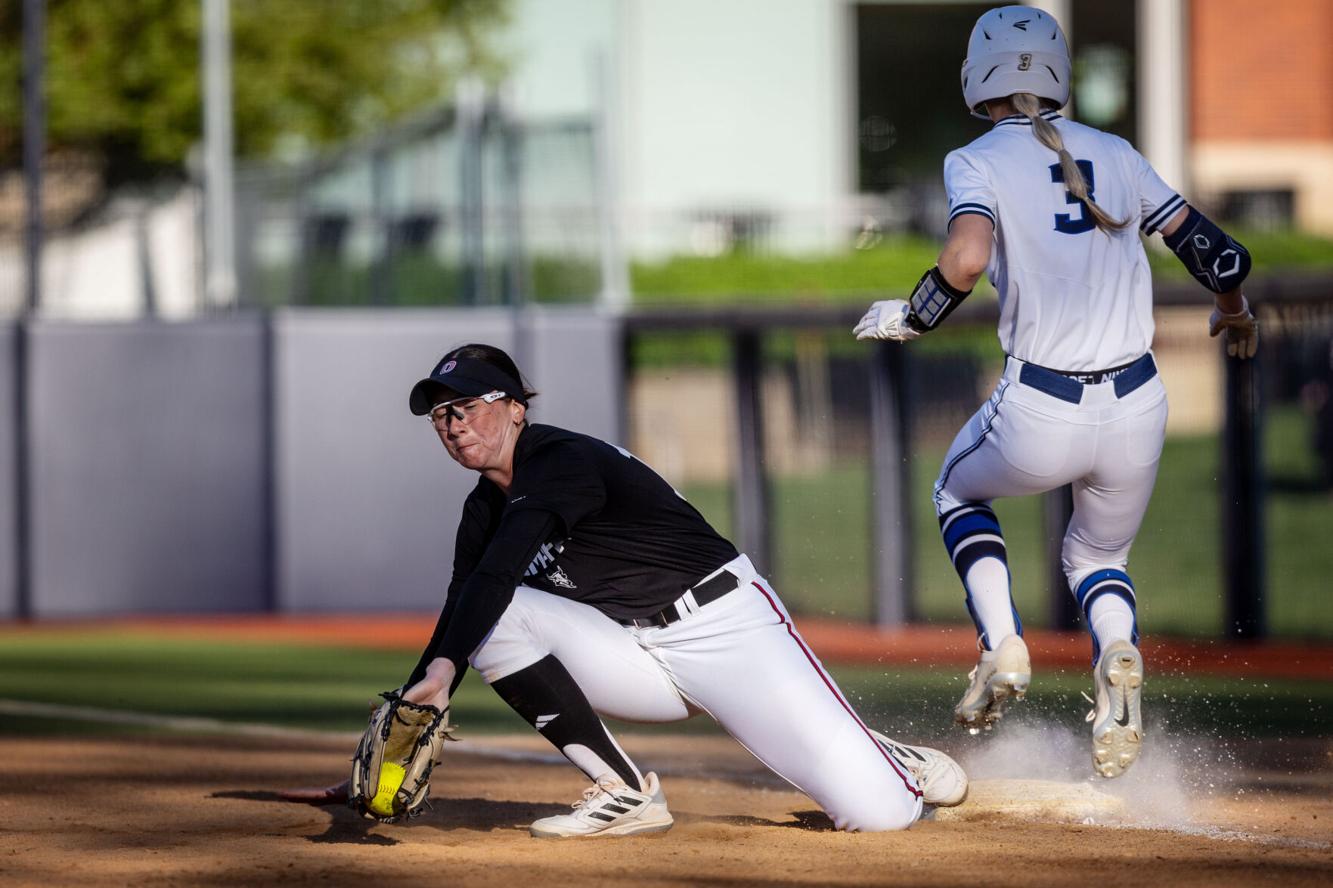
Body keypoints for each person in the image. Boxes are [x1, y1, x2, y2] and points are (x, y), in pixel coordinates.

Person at [291, 342, 967, 836]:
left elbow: (501, 570)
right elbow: (465, 606)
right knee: (491, 615)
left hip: (724, 627)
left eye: (464, 406)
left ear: (515, 410)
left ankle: (881, 753)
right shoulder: (481, 508)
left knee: (880, 816)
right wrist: (400, 738)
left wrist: (444, 667)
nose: (451, 424)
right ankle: (623, 792)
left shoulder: (561, 461)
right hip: (630, 650)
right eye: (439, 415)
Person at [853, 6, 1257, 779]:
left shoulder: (973, 160)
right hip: (1139, 403)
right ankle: (1115, 653)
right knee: (1097, 552)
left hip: (1041, 404)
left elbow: (965, 260)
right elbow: (1220, 255)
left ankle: (1001, 642)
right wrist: (1232, 315)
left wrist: (912, 317)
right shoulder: (1116, 150)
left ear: (981, 78)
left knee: (955, 494)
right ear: (1056, 72)